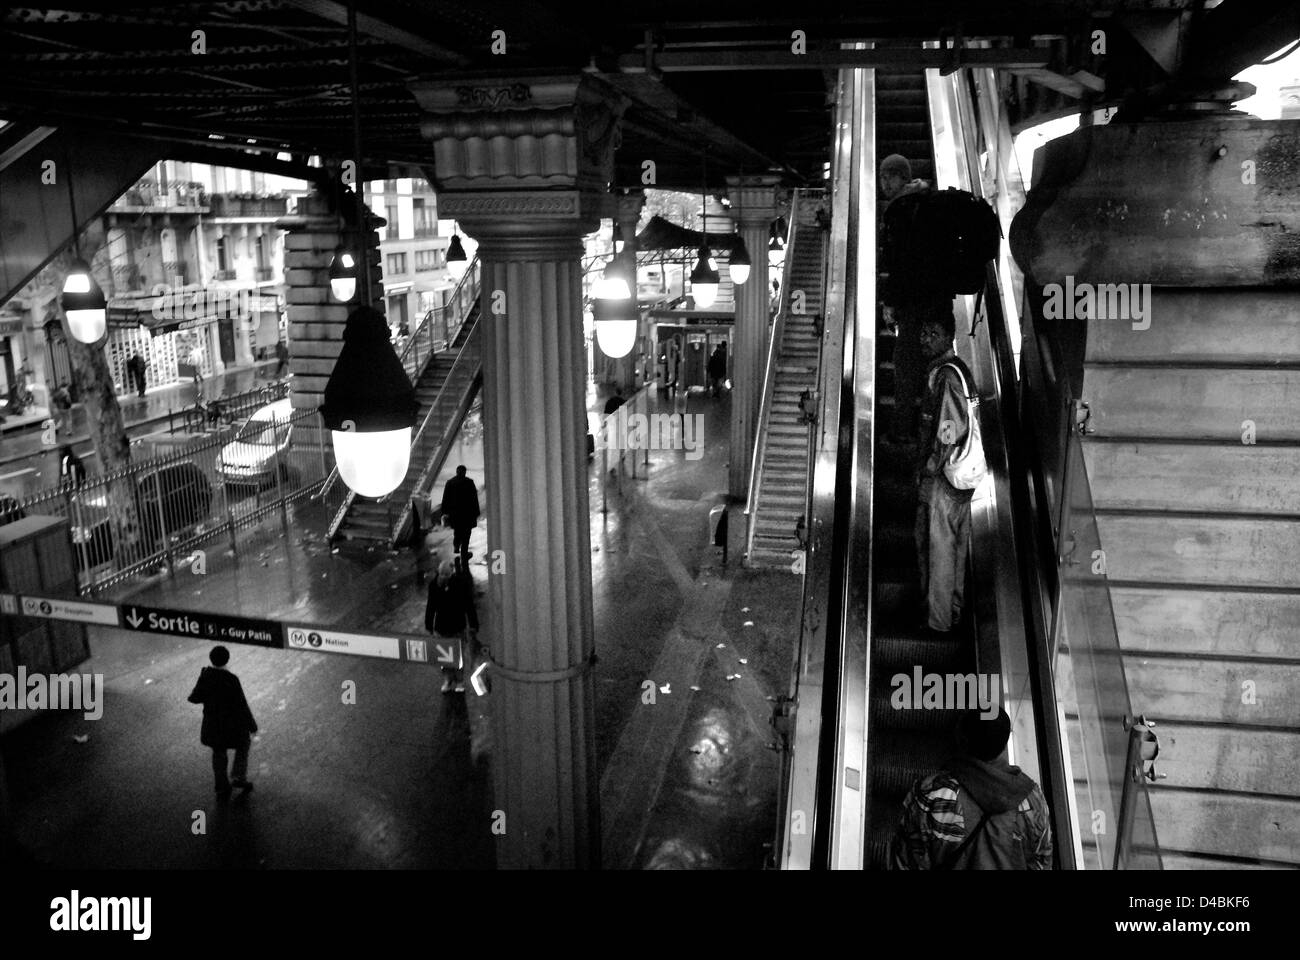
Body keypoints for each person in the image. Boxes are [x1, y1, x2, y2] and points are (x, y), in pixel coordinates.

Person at [890, 708, 1053, 870]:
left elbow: (906, 860)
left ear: (961, 740)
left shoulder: (931, 794)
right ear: (1005, 742)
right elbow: (1042, 860)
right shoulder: (1032, 798)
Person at [879, 153, 950, 445]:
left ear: (903, 177)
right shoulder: (929, 201)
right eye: (882, 177)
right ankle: (938, 435)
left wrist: (890, 302)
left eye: (889, 176)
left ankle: (901, 433)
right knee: (936, 367)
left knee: (905, 368)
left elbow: (899, 264)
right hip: (940, 303)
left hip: (914, 305)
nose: (884, 183)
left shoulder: (901, 208)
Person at [915, 311, 975, 635]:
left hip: (945, 475)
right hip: (962, 473)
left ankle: (937, 623)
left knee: (936, 546)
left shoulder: (948, 375)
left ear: (949, 336)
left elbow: (950, 428)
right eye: (923, 333)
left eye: (933, 333)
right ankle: (951, 611)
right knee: (955, 544)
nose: (925, 339)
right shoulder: (960, 371)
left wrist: (930, 466)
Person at [187, 646, 258, 798]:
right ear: (227, 659)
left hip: (212, 727)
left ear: (211, 659)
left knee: (218, 752)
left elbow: (194, 698)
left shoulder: (206, 676)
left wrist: (202, 677)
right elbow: (241, 704)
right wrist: (252, 725)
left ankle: (221, 786)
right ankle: (238, 776)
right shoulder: (231, 679)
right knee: (244, 744)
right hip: (232, 727)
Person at [426, 558, 479, 694]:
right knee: (457, 656)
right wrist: (473, 624)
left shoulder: (435, 585)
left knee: (445, 657)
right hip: (457, 626)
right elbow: (469, 606)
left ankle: (448, 680)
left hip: (442, 628)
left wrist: (429, 626)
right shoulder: (459, 584)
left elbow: (430, 607)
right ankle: (458, 681)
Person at [439, 464, 480, 566]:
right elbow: (474, 499)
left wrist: (444, 512)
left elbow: (445, 499)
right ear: (465, 472)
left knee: (457, 531)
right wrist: (476, 512)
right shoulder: (469, 482)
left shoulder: (450, 483)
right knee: (466, 534)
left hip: (455, 514)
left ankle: (456, 546)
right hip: (467, 514)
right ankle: (464, 553)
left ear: (456, 472)